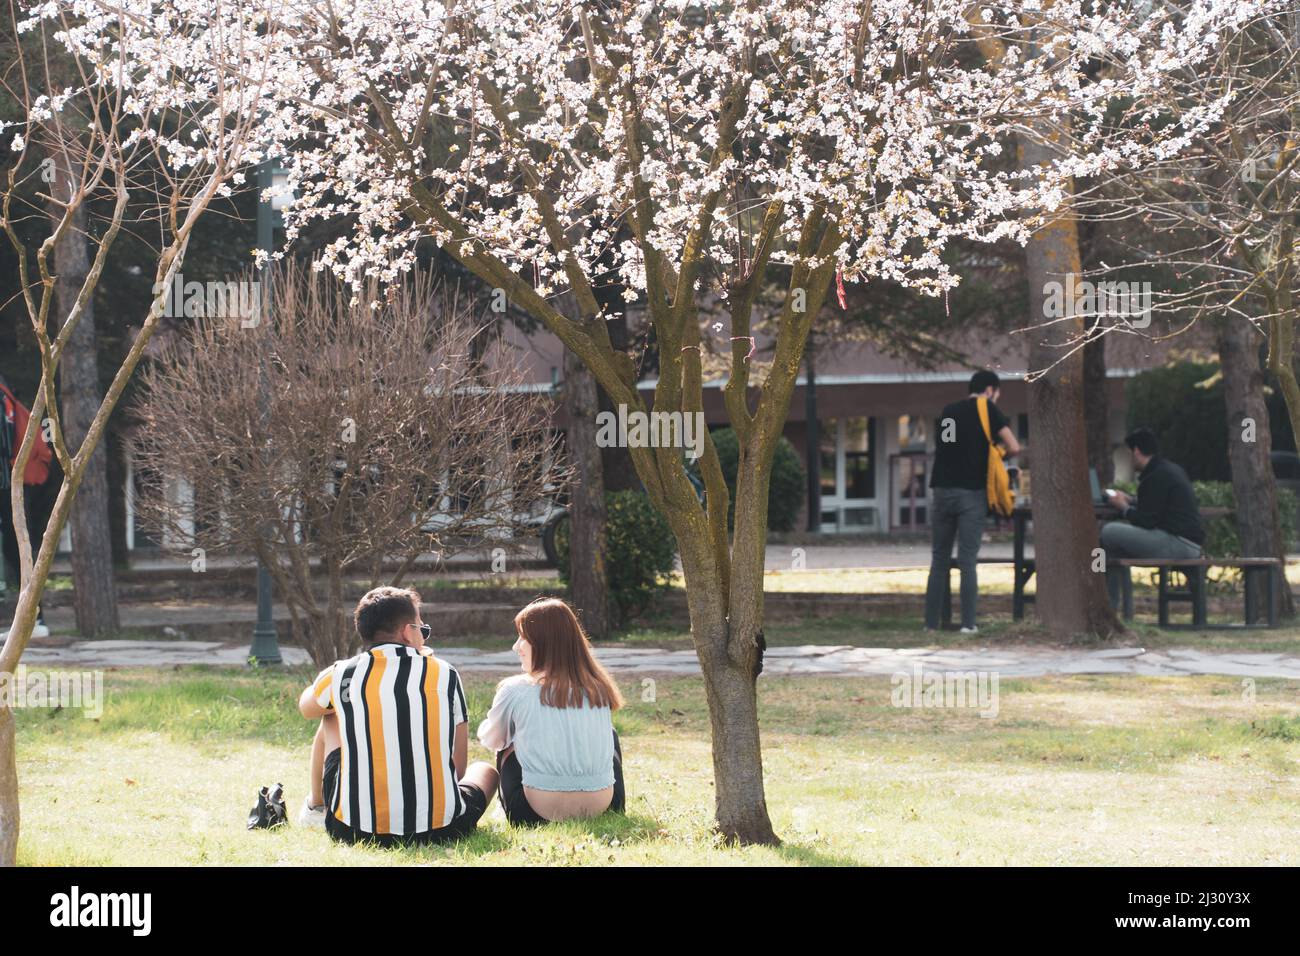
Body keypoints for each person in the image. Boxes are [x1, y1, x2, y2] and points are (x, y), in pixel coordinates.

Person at [297, 586, 499, 846]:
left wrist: (330, 683)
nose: (424, 637)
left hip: (352, 829)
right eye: (421, 629)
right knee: (484, 770)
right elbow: (458, 770)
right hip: (442, 828)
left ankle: (316, 807)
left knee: (331, 712)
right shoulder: (445, 674)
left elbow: (306, 707)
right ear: (407, 632)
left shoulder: (342, 674)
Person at [478, 598, 625, 826]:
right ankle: (618, 807)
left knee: (507, 737)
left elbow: (492, 739)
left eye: (523, 637)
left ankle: (504, 807)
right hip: (602, 807)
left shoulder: (515, 690)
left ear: (544, 643)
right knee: (610, 734)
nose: (516, 647)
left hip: (529, 813)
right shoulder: (599, 689)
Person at [924, 370, 1021, 633]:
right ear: (990, 390)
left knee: (939, 559)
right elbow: (1014, 446)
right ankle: (968, 624)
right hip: (972, 493)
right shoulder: (987, 407)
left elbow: (946, 446)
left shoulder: (949, 410)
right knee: (967, 559)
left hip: (942, 490)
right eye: (997, 394)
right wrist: (995, 451)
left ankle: (931, 625)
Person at [1100, 428, 1205, 610]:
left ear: (1137, 451)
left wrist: (1123, 507)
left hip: (1177, 543)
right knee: (1113, 547)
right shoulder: (1168, 470)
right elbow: (1157, 505)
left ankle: (1110, 605)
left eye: (1129, 454)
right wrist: (1131, 499)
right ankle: (1113, 608)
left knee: (1108, 532)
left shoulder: (1154, 476)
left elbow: (1146, 521)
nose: (1130, 459)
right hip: (1187, 543)